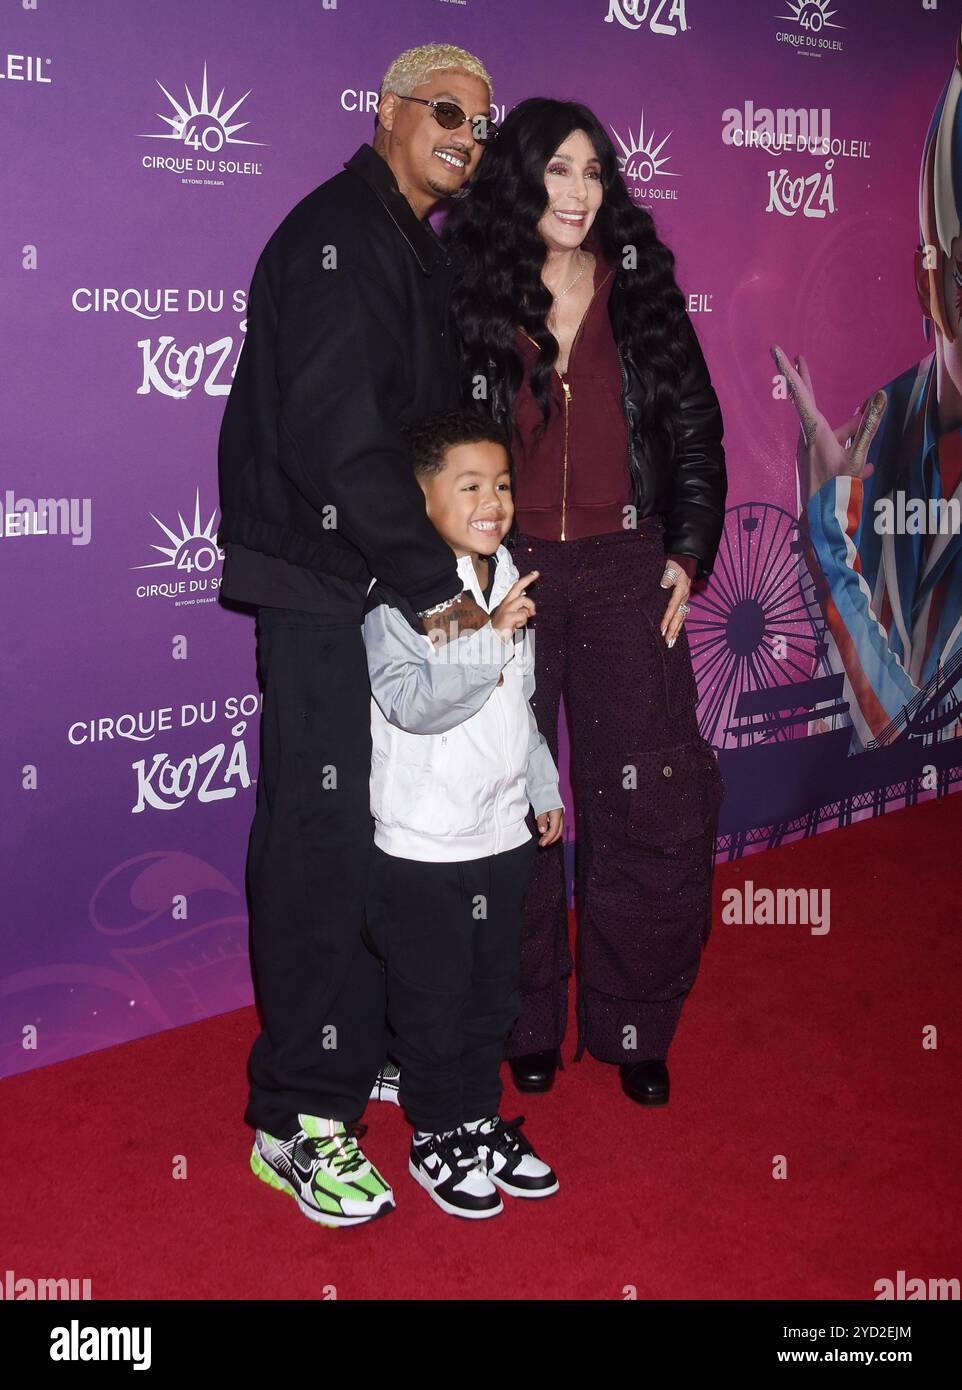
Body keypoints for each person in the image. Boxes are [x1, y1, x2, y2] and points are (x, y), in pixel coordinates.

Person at [216, 43, 496, 1228]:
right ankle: (296, 1119)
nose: (465, 136)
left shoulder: (397, 239)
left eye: (479, 125)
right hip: (330, 581)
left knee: (373, 834)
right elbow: (340, 442)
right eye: (444, 112)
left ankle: (360, 1042)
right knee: (322, 844)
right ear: (386, 114)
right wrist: (442, 584)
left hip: (362, 578)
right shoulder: (339, 237)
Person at [443, 98, 728, 1106]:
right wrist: (462, 582)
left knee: (646, 800)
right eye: (557, 172)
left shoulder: (638, 289)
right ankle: (522, 1018)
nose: (577, 193)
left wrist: (685, 554)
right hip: (507, 575)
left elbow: (694, 432)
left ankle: (632, 1022)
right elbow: (433, 450)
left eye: (592, 173)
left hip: (622, 567)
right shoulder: (471, 294)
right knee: (508, 808)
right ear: (520, 180)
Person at [362, 408, 563, 1219]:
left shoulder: (504, 572)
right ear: (420, 499)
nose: (493, 501)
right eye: (470, 485)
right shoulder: (402, 592)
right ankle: (435, 1132)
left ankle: (478, 1116)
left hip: (499, 829)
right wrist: (486, 641)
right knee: (432, 992)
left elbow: (517, 702)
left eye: (503, 484)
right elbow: (410, 706)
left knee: (492, 989)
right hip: (422, 842)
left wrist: (542, 788)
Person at [773, 24, 962, 753]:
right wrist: (821, 515)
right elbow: (872, 723)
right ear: (929, 282)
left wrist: (826, 531)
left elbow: (912, 730)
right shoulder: (883, 430)